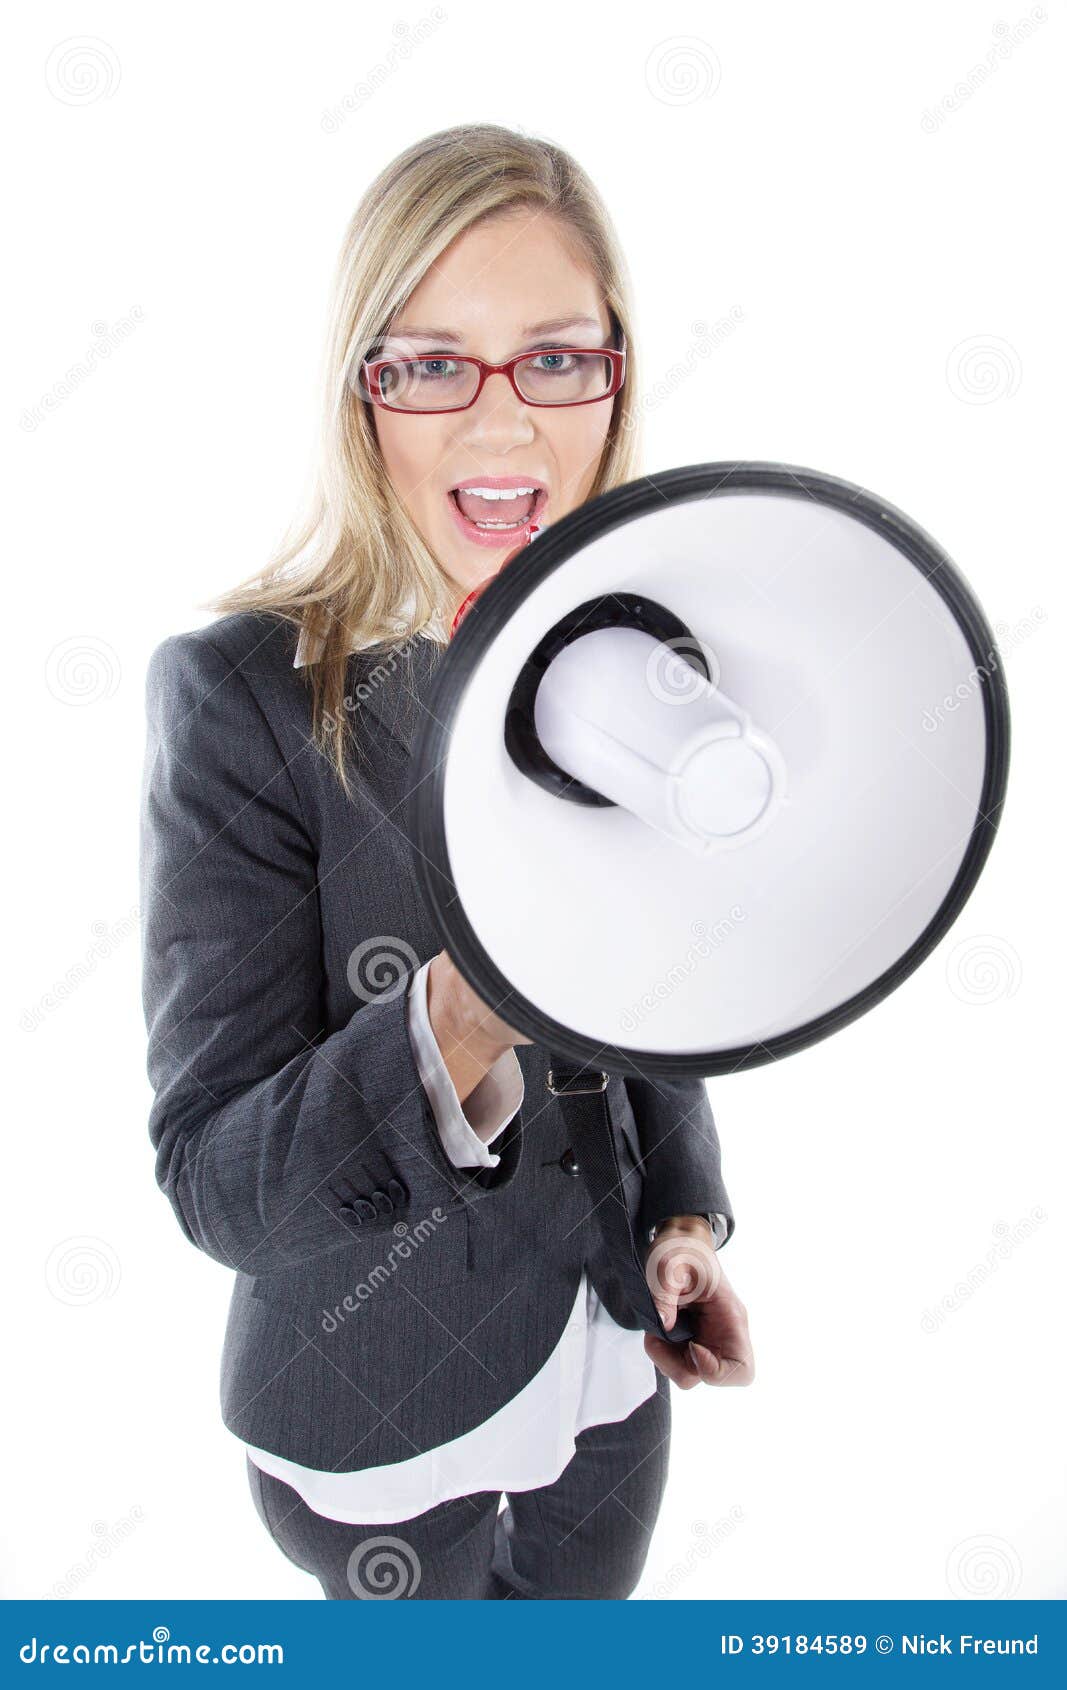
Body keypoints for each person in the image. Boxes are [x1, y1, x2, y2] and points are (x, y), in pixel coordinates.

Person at [139, 121, 754, 1602]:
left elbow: (647, 1001)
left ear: (617, 370)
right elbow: (216, 1180)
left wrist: (682, 1212)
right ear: (363, 394)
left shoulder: (636, 664)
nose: (501, 430)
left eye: (554, 358)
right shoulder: (244, 699)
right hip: (374, 1418)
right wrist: (466, 1012)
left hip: (609, 1370)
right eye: (429, 364)